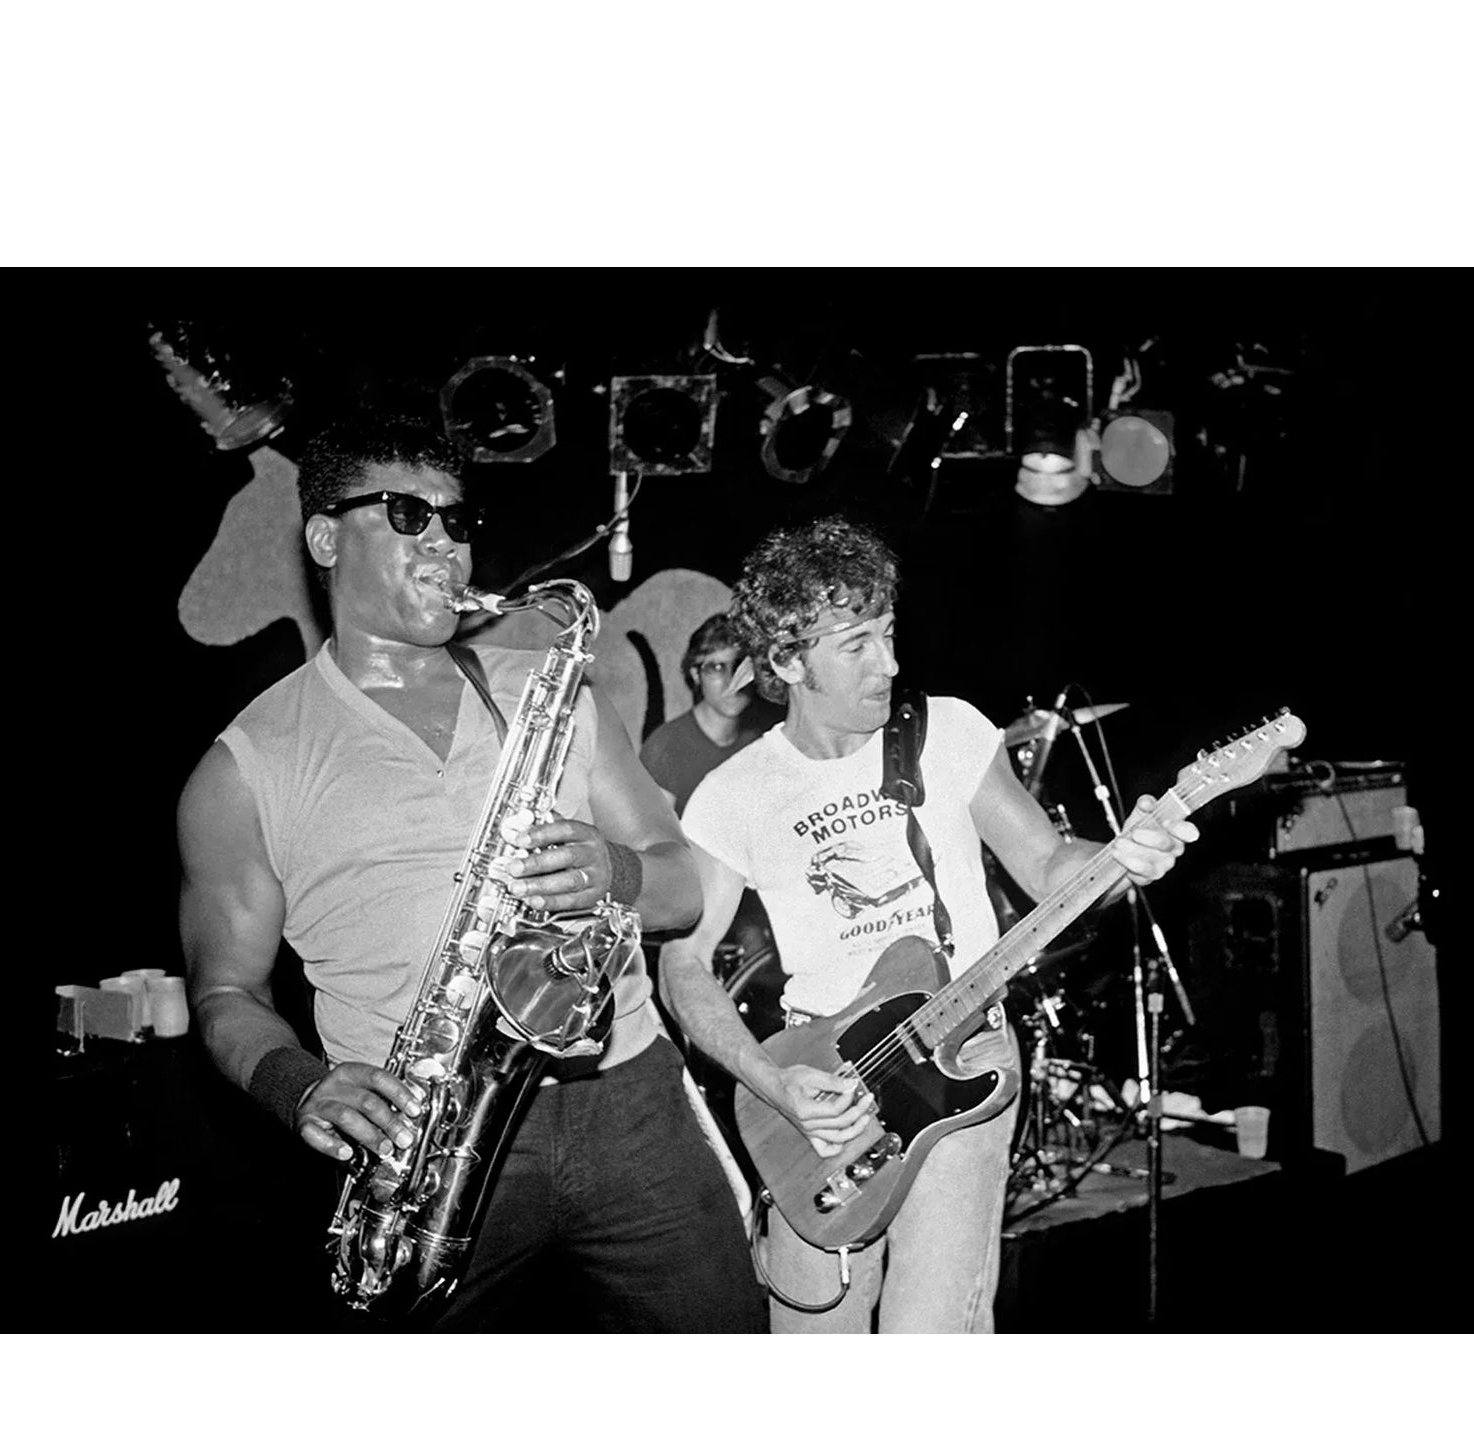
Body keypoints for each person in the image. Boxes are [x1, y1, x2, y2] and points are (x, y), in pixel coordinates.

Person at [176, 407, 765, 1333]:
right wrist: (297, 1085)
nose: (443, 544)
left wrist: (613, 870)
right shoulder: (244, 768)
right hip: (425, 1141)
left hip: (630, 1106)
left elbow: (682, 887)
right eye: (406, 516)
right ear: (326, 537)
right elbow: (223, 993)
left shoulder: (552, 690)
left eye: (457, 521)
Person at [657, 516, 1198, 1334]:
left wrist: (1125, 858)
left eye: (890, 633)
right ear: (785, 662)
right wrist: (776, 1085)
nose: (891, 664)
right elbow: (684, 966)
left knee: (932, 1336)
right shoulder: (736, 793)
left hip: (962, 1053)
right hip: (825, 1082)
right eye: (856, 645)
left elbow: (1051, 868)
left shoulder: (946, 731)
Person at [639, 613, 775, 816]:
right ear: (696, 675)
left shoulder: (762, 738)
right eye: (717, 668)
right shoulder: (665, 748)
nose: (731, 681)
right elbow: (655, 838)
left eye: (739, 667)